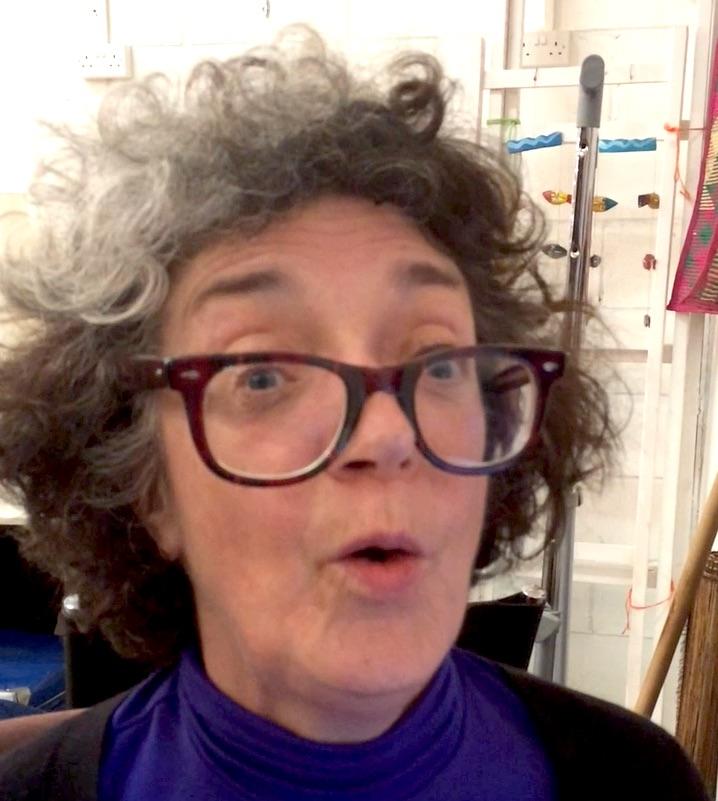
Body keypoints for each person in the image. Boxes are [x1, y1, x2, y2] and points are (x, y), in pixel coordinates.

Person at [0, 27, 709, 801]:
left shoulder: (639, 781)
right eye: (264, 373)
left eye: (437, 364)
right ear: (147, 486)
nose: (387, 432)